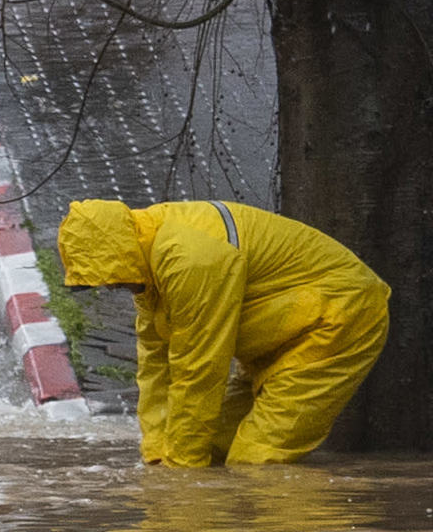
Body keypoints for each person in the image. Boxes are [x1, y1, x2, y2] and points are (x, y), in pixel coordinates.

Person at [56, 197, 390, 466]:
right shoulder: (145, 265)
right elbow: (156, 367)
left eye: (109, 277)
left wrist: (181, 480)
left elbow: (199, 371)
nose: (112, 287)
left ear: (118, 255)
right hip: (278, 340)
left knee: (256, 461)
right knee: (213, 447)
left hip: (333, 321)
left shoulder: (190, 259)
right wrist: (158, 455)